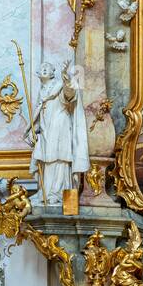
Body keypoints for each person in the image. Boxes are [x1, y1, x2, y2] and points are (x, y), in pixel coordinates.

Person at [28, 63, 91, 205]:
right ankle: (44, 192)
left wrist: (66, 78)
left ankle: (58, 194)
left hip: (60, 127)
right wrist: (34, 129)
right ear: (38, 73)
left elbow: (69, 94)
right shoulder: (42, 91)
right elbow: (40, 114)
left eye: (48, 67)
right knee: (46, 160)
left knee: (59, 160)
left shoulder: (59, 86)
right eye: (42, 67)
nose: (44, 68)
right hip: (46, 129)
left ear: (52, 73)